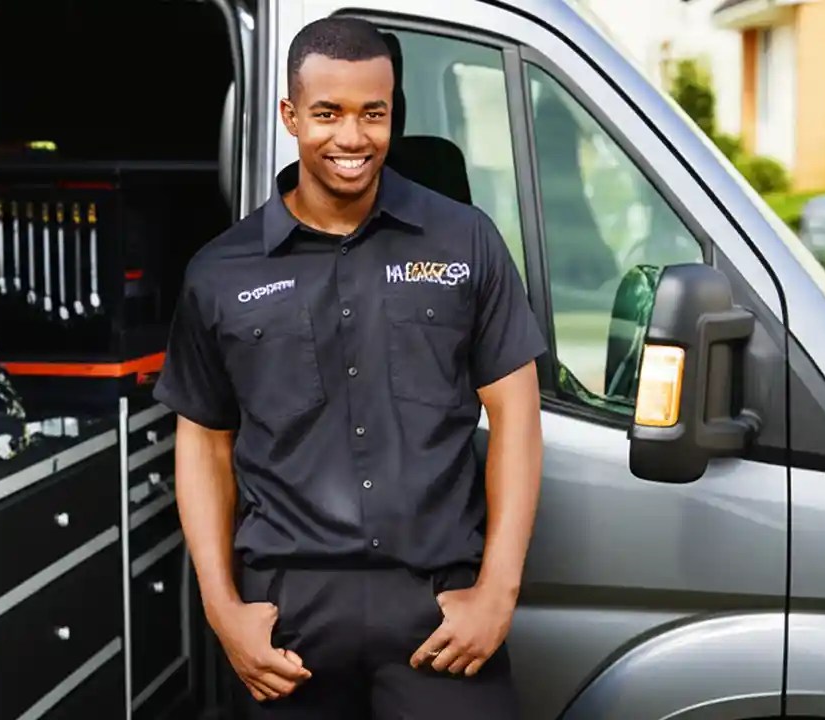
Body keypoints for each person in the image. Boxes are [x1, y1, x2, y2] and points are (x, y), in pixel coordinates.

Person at [153, 15, 546, 719]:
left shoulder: (466, 241)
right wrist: (223, 609)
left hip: (438, 611)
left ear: (394, 113)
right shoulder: (219, 272)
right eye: (327, 114)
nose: (352, 138)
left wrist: (497, 593)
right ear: (290, 114)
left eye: (374, 113)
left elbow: (517, 413)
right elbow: (204, 444)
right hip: (289, 621)